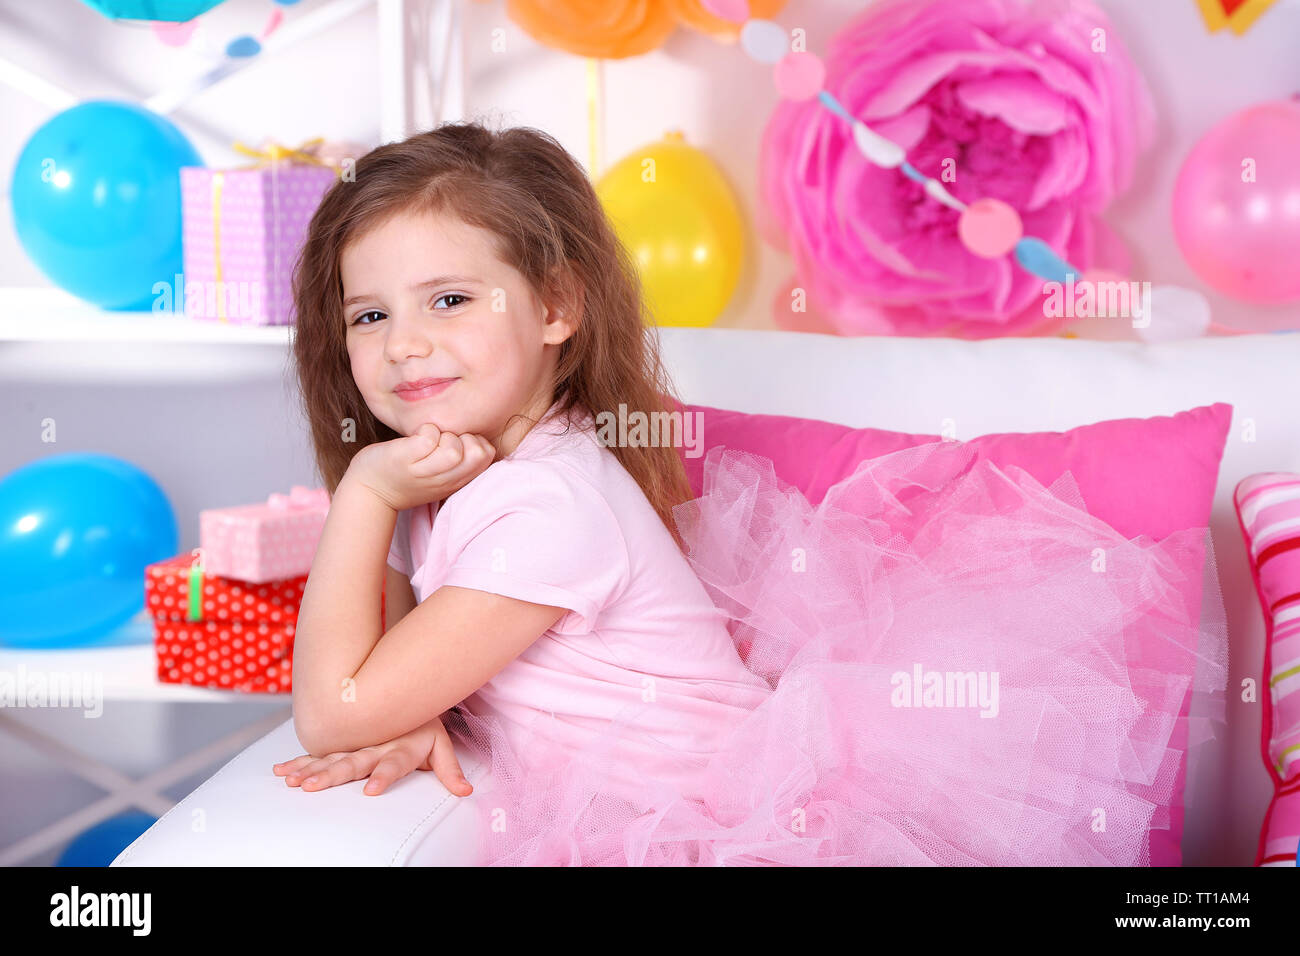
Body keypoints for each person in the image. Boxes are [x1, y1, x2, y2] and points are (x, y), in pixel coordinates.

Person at [274, 119, 1227, 866]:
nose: (403, 344)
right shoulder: (454, 471)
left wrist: (363, 496)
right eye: (369, 314)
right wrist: (422, 707)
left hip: (727, 826)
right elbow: (382, 658)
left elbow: (333, 708)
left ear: (558, 306)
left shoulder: (545, 507)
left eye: (450, 300)